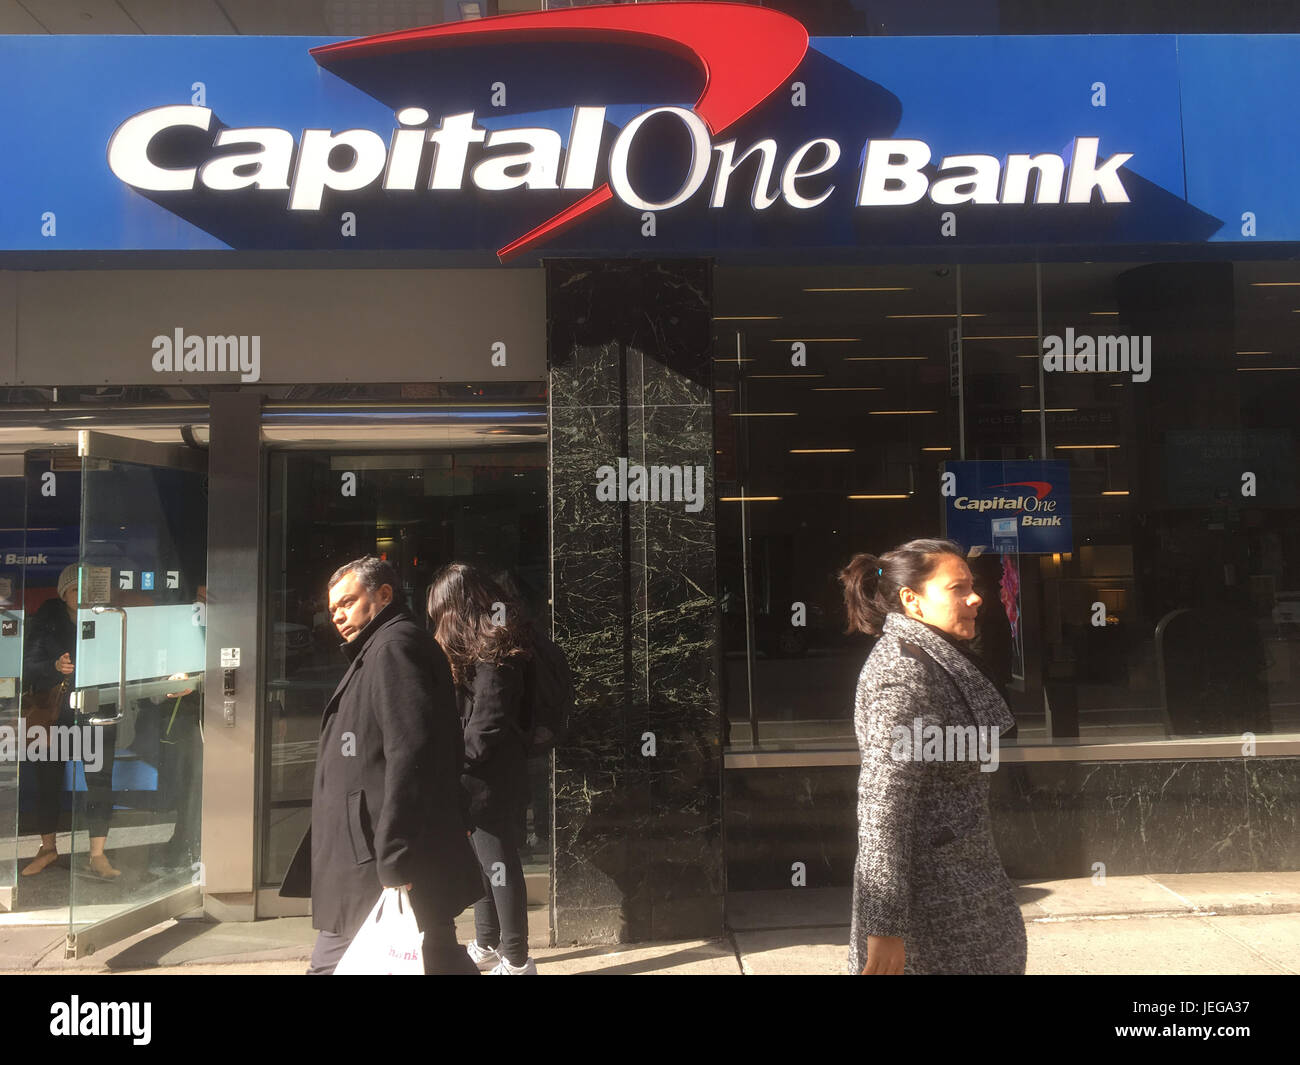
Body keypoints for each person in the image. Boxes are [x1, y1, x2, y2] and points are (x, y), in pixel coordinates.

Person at [279, 556, 483, 975]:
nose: (337, 615)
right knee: (438, 953)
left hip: (375, 856)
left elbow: (413, 753)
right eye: (332, 607)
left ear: (384, 595)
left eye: (348, 602)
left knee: (332, 965)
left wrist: (395, 856)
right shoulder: (383, 647)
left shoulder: (393, 648)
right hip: (379, 851)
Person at [840, 538, 1025, 975]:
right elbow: (883, 808)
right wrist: (885, 929)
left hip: (963, 895)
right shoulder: (904, 671)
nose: (976, 597)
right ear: (912, 600)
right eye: (957, 588)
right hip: (932, 912)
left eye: (972, 585)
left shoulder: (935, 658)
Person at [427, 562, 537, 975]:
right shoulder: (481, 645)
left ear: (459, 606)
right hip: (475, 777)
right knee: (482, 867)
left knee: (499, 866)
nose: (438, 623)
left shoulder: (496, 648)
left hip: (490, 778)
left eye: (441, 613)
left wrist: (458, 763)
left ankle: (517, 959)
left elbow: (488, 720)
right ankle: (489, 943)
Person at [21, 563, 120, 880]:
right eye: (76, 590)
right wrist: (54, 666)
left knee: (100, 781)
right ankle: (47, 848)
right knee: (48, 780)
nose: (82, 597)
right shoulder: (47, 619)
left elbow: (125, 658)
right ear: (63, 593)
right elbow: (28, 665)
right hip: (54, 714)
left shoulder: (109, 618)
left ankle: (97, 855)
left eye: (88, 590)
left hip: (97, 709)